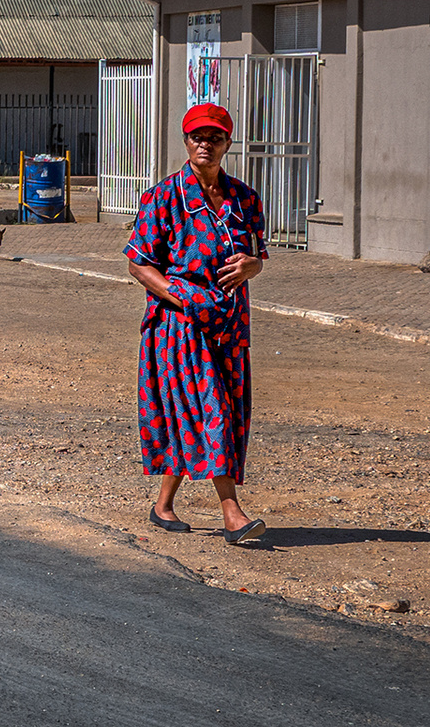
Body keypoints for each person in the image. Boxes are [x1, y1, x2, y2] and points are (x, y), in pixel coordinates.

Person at [124, 103, 269, 545]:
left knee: (198, 415)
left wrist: (251, 267)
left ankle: (163, 504)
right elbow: (138, 264)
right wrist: (181, 296)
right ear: (186, 142)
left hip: (229, 325)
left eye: (216, 138)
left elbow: (258, 257)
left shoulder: (245, 198)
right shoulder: (163, 197)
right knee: (213, 411)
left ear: (228, 143)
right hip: (179, 328)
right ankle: (233, 514)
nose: (205, 144)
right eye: (197, 137)